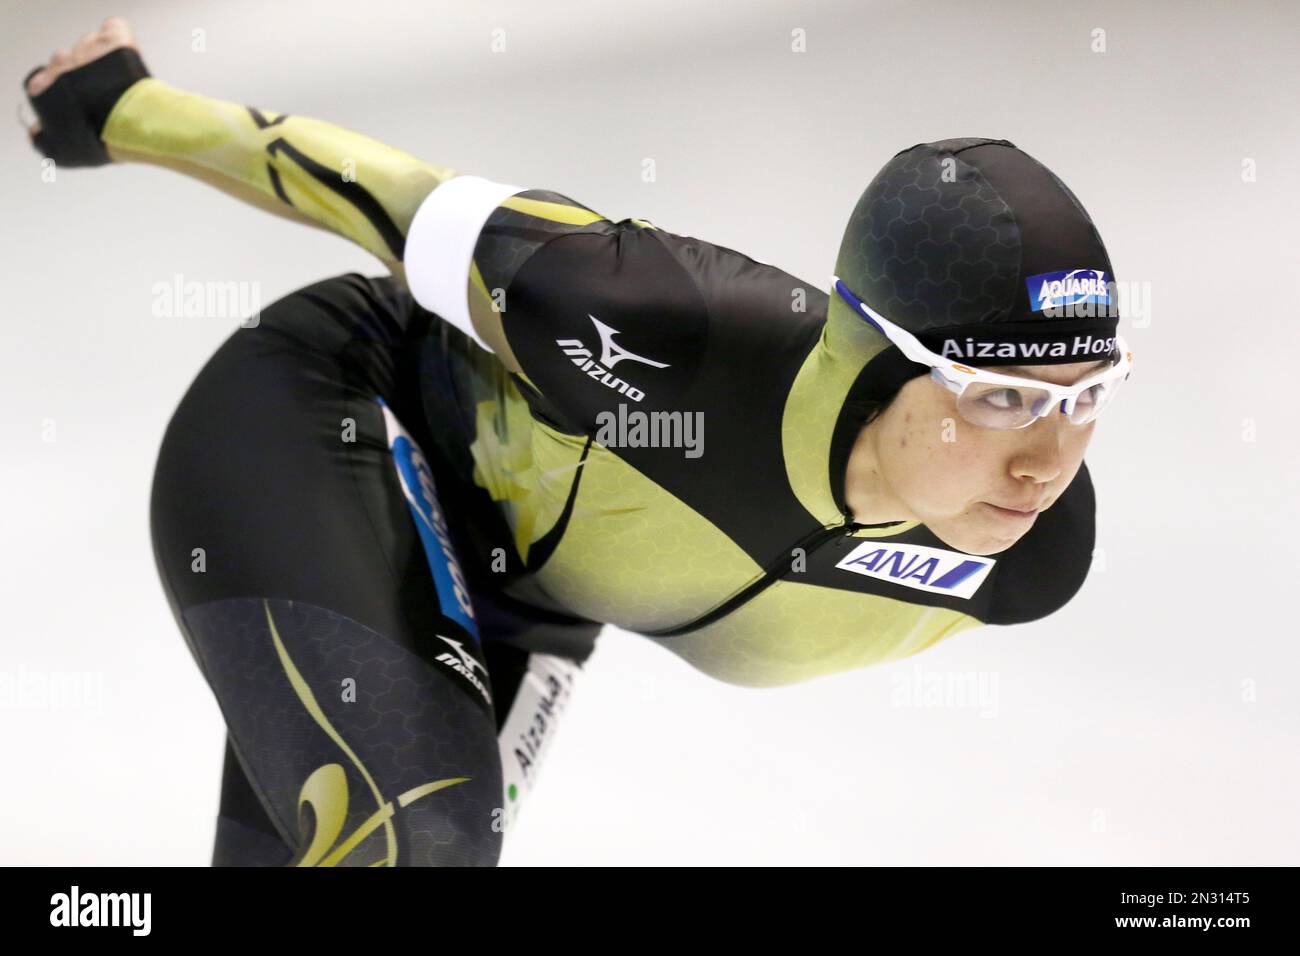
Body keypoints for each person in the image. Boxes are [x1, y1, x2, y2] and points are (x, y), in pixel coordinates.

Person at [22, 19, 1133, 867]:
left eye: (1088, 397)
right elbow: (391, 198)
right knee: (417, 842)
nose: (1046, 461)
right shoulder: (662, 325)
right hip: (336, 410)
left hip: (526, 596)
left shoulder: (1028, 555)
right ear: (871, 352)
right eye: (1000, 397)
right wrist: (127, 110)